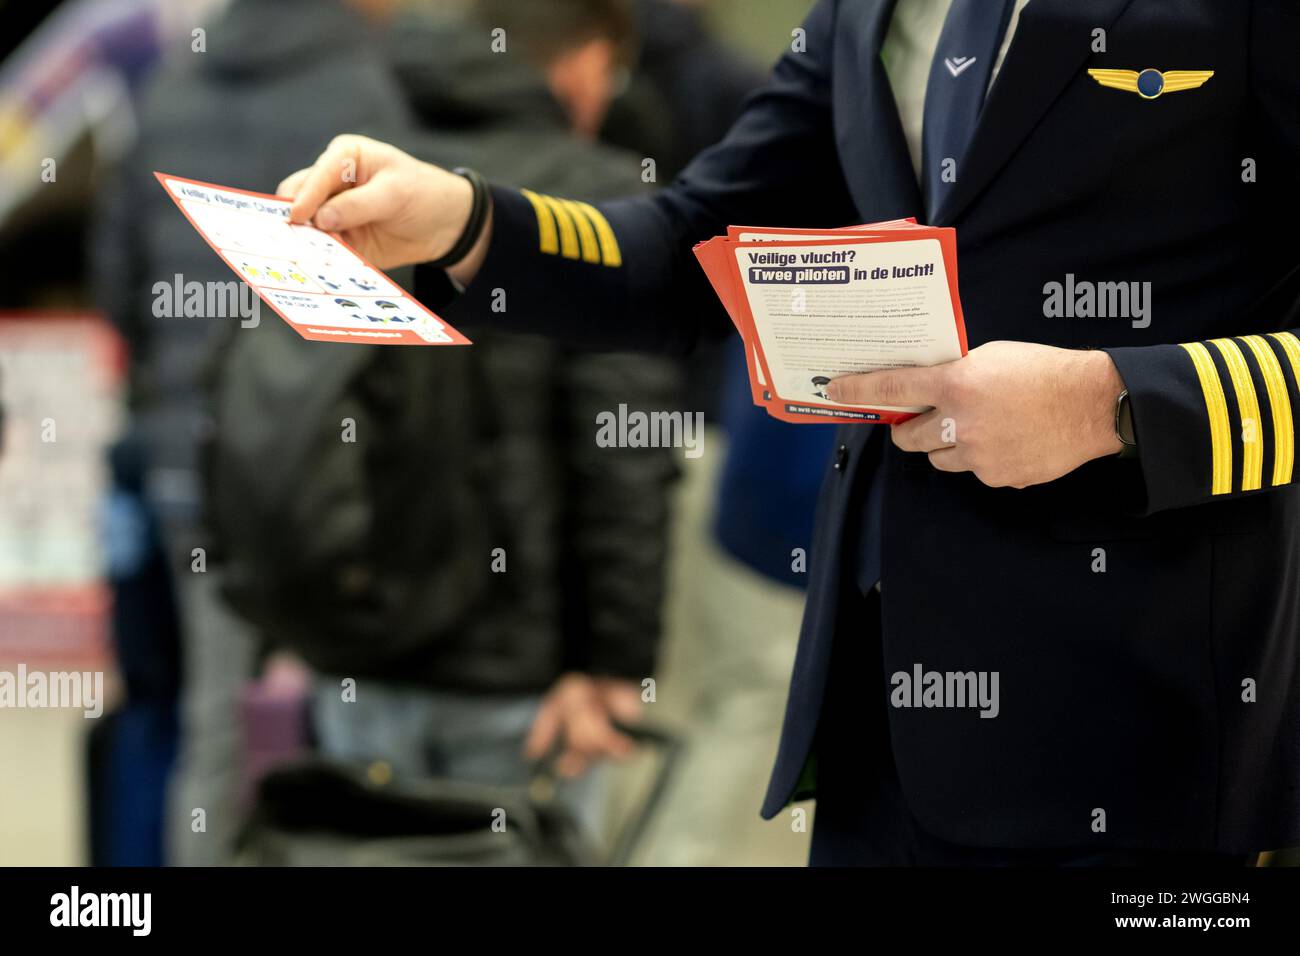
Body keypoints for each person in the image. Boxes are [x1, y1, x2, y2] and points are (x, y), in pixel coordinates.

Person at [278, 0, 1300, 865]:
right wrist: (466, 221)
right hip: (880, 709)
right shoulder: (864, 13)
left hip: (1150, 710)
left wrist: (1112, 401)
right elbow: (692, 245)